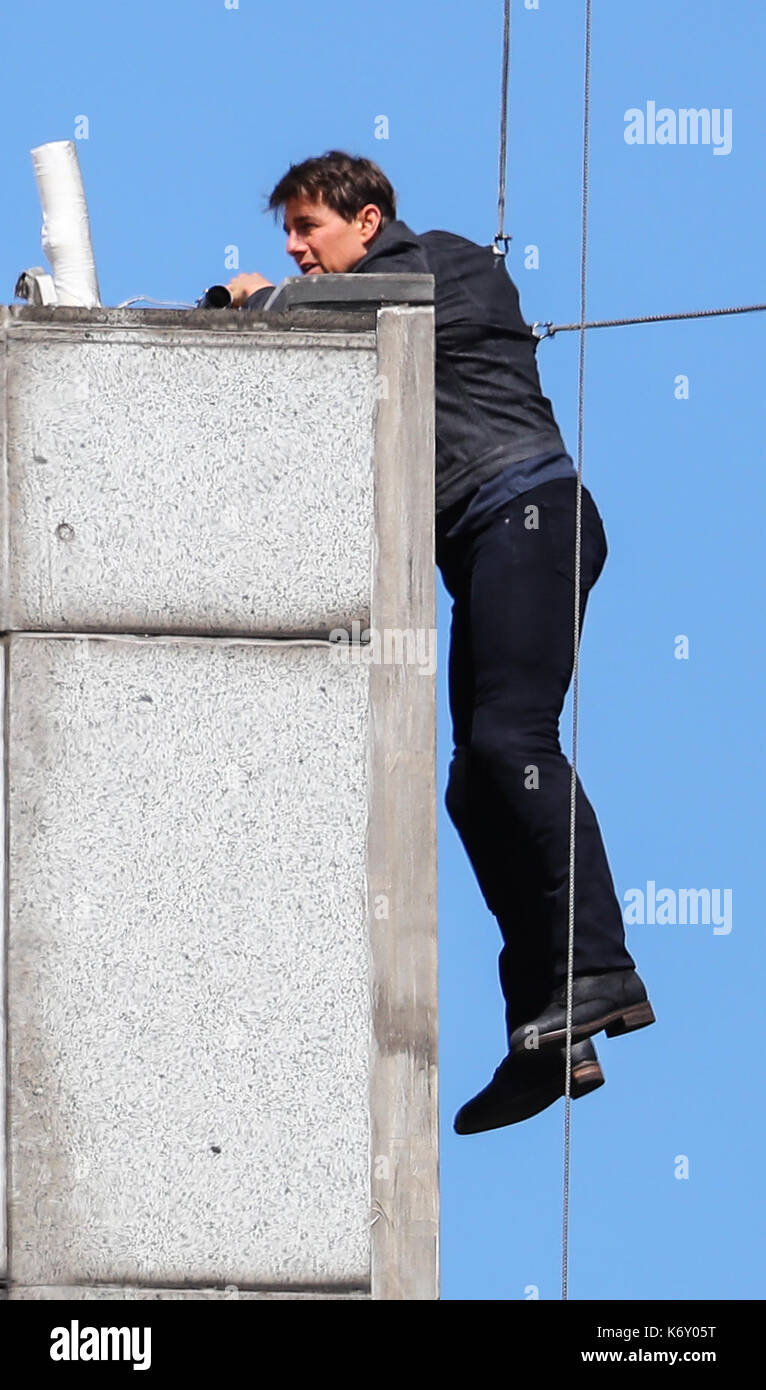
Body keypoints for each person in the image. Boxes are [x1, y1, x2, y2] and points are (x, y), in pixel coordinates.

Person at [228, 150, 655, 1135]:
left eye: (309, 231)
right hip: (490, 541)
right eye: (287, 237)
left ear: (367, 220)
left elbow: (354, 306)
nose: (295, 250)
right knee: (476, 778)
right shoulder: (368, 298)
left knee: (512, 746)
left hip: (531, 514)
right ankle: (549, 1024)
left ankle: (599, 968)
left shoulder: (441, 268)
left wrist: (263, 302)